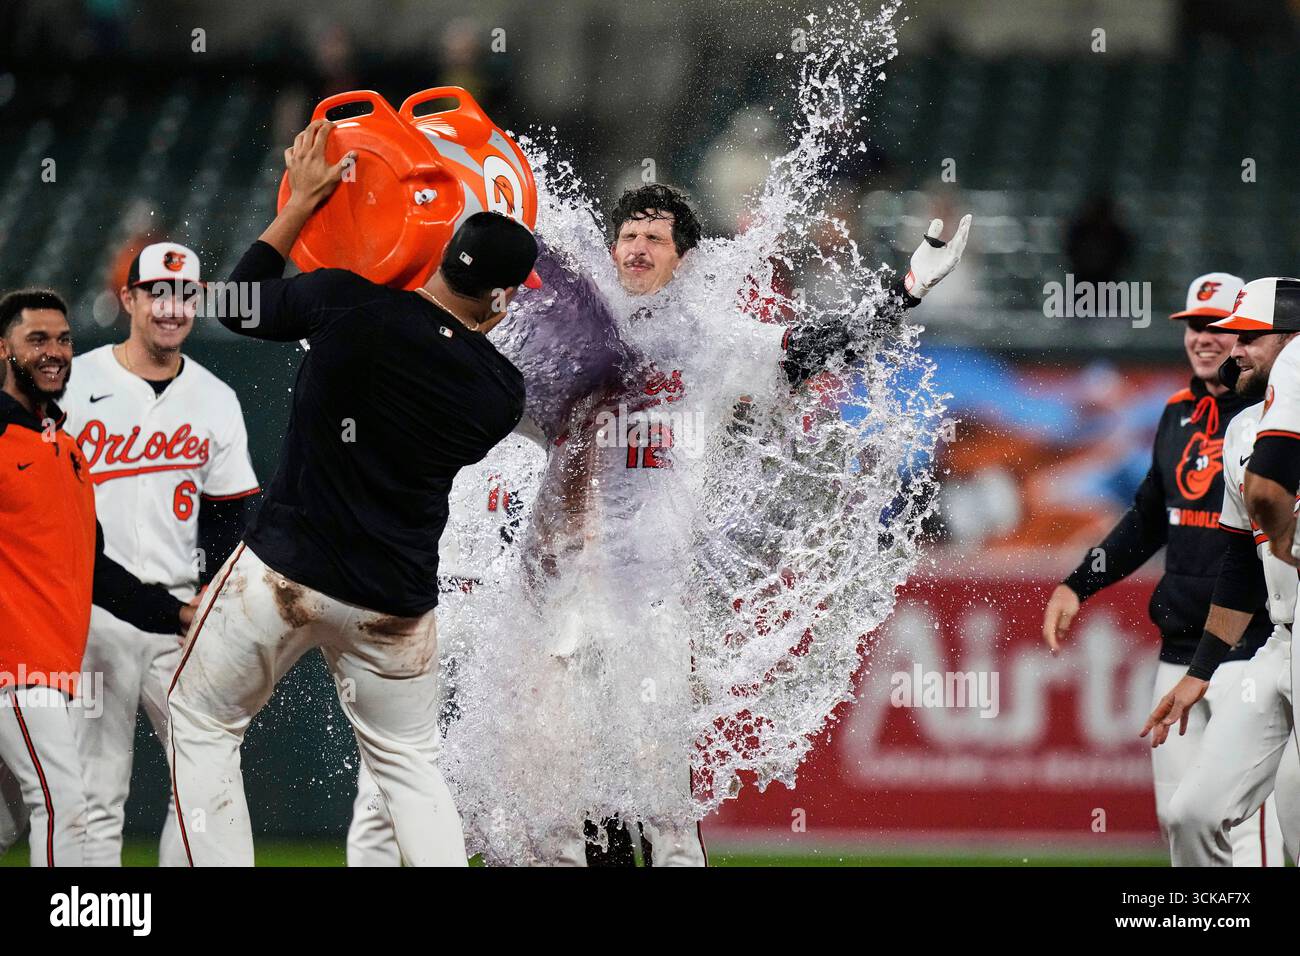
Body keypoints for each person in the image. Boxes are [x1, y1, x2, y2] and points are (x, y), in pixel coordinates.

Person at [496, 183, 969, 865]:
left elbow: (816, 347)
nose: (637, 246)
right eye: (628, 234)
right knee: (569, 812)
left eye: (655, 238)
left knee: (664, 813)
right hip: (566, 601)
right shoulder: (568, 344)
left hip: (652, 604)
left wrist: (909, 287)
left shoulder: (711, 341)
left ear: (684, 260)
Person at [165, 120, 537, 866]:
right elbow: (442, 348)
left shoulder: (345, 302)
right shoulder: (501, 391)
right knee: (410, 765)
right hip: (393, 601)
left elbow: (236, 303)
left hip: (284, 571)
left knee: (203, 723)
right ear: (499, 300)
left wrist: (304, 202)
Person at [1042, 273, 1284, 865]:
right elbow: (1150, 517)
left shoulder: (1269, 419)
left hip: (1249, 653)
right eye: (1194, 327)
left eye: (1221, 329)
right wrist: (1082, 581)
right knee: (1181, 824)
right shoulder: (1176, 413)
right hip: (1177, 651)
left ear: (1248, 339)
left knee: (1250, 835)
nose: (1204, 339)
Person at [60, 242, 259, 867]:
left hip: (181, 619)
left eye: (184, 295)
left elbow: (232, 514)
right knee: (94, 790)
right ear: (129, 299)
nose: (171, 308)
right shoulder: (75, 384)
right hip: (91, 615)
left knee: (205, 783)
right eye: (157, 293)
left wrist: (211, 596)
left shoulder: (215, 397)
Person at [0, 289, 195, 867]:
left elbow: (95, 573)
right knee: (66, 806)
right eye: (36, 338)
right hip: (15, 670)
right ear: (4, 349)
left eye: (62, 338)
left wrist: (179, 613)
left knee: (9, 820)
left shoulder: (67, 448)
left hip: (49, 671)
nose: (54, 351)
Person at [1141, 277, 1300, 864]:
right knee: (1192, 813)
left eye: (1249, 339)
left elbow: (1267, 492)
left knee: (1293, 812)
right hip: (1280, 642)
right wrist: (1199, 671)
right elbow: (1240, 563)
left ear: (1293, 343)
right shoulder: (1239, 429)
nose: (1234, 351)